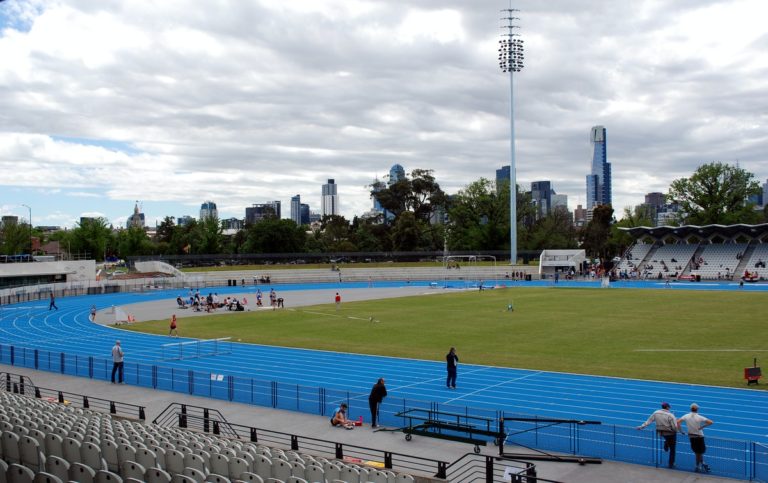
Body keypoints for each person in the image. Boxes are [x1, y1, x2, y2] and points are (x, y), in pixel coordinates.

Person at [637, 402, 678, 468]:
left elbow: (649, 421)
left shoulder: (656, 413)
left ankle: (666, 443)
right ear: (667, 407)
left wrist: (641, 427)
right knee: (672, 449)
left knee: (667, 439)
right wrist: (677, 430)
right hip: (670, 433)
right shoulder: (671, 415)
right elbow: (674, 427)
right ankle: (671, 463)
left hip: (660, 432)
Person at [677, 403, 713, 473]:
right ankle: (698, 465)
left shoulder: (686, 416)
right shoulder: (699, 417)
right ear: (697, 409)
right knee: (699, 452)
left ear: (690, 409)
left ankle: (701, 463)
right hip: (699, 436)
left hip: (691, 436)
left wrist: (681, 431)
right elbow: (711, 422)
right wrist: (702, 427)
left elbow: (677, 422)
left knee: (697, 452)